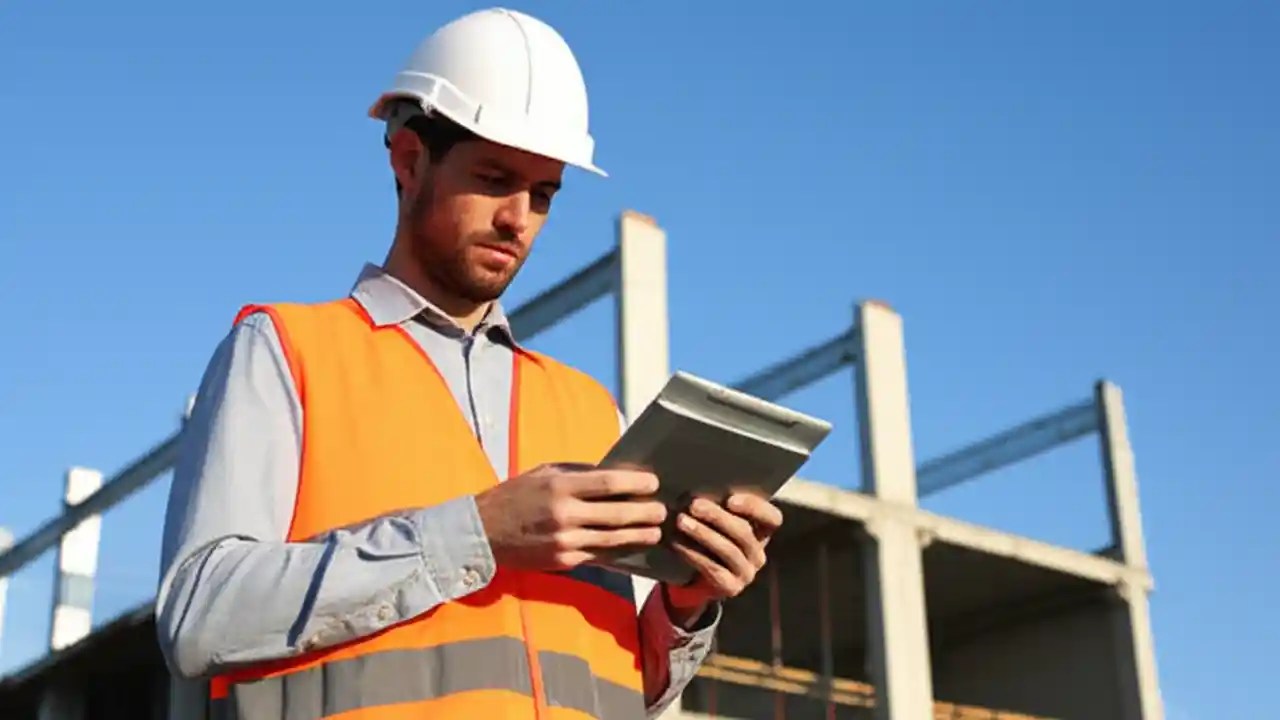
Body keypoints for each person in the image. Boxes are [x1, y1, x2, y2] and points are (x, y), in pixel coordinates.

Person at [155, 8, 784, 720]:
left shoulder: (588, 410)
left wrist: (686, 607)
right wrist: (477, 534)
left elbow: (622, 687)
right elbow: (197, 617)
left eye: (543, 194)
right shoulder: (286, 352)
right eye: (494, 178)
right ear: (409, 161)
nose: (519, 219)